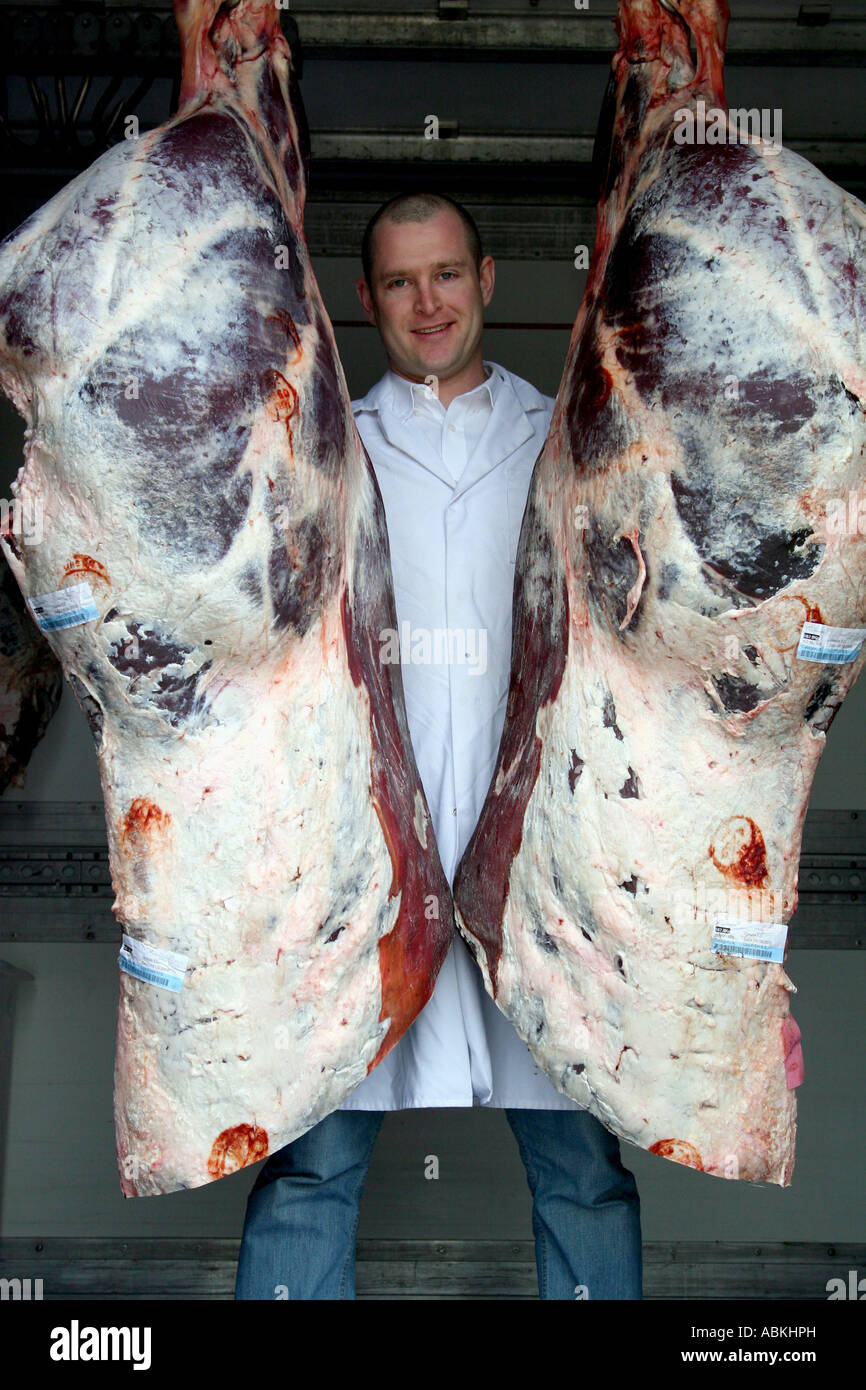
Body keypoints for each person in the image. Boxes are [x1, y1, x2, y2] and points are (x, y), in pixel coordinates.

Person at [235, 192, 642, 1301]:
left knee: (581, 1168)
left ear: (488, 280)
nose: (428, 303)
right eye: (402, 282)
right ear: (363, 302)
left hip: (535, 862)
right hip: (368, 858)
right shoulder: (327, 454)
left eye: (447, 275)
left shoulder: (566, 439)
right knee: (309, 1159)